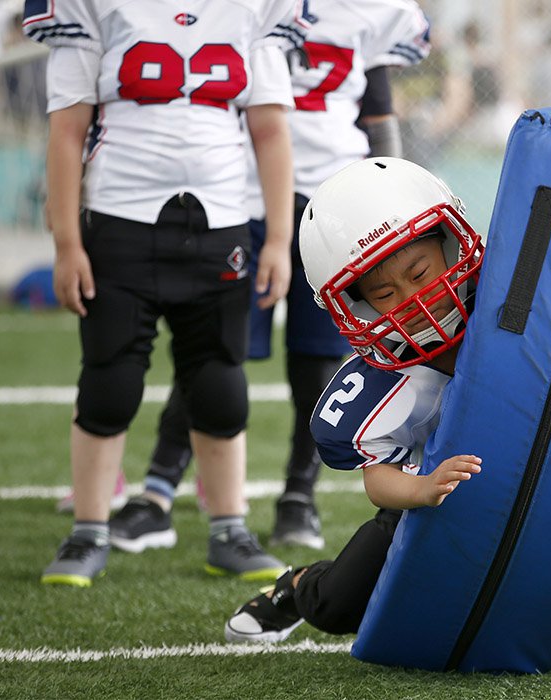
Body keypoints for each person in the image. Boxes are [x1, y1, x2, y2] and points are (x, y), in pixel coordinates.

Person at [220, 157, 551, 673]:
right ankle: (297, 587)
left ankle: (549, 618)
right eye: (385, 293)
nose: (413, 300)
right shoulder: (387, 380)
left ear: (451, 243)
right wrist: (421, 489)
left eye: (419, 272)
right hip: (429, 508)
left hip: (541, 488)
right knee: (340, 605)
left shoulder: (529, 315)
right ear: (359, 307)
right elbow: (379, 481)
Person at [102, 0, 432, 555]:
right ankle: (158, 489)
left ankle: (298, 496)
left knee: (321, 363)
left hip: (345, 207)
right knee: (212, 352)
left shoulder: (379, 11)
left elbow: (377, 113)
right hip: (243, 199)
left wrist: (394, 193)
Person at [26, 0, 309, 586]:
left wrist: (279, 238)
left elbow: (271, 129)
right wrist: (66, 242)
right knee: (110, 380)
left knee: (220, 381)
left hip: (222, 221)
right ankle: (88, 531)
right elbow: (66, 130)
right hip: (119, 214)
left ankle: (229, 529)